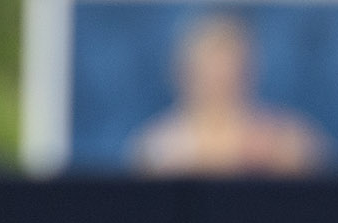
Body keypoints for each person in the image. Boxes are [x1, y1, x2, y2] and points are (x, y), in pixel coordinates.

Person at [129, 13, 326, 176]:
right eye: (212, 69)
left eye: (230, 68)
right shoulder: (158, 144)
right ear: (185, 72)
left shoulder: (285, 136)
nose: (221, 78)